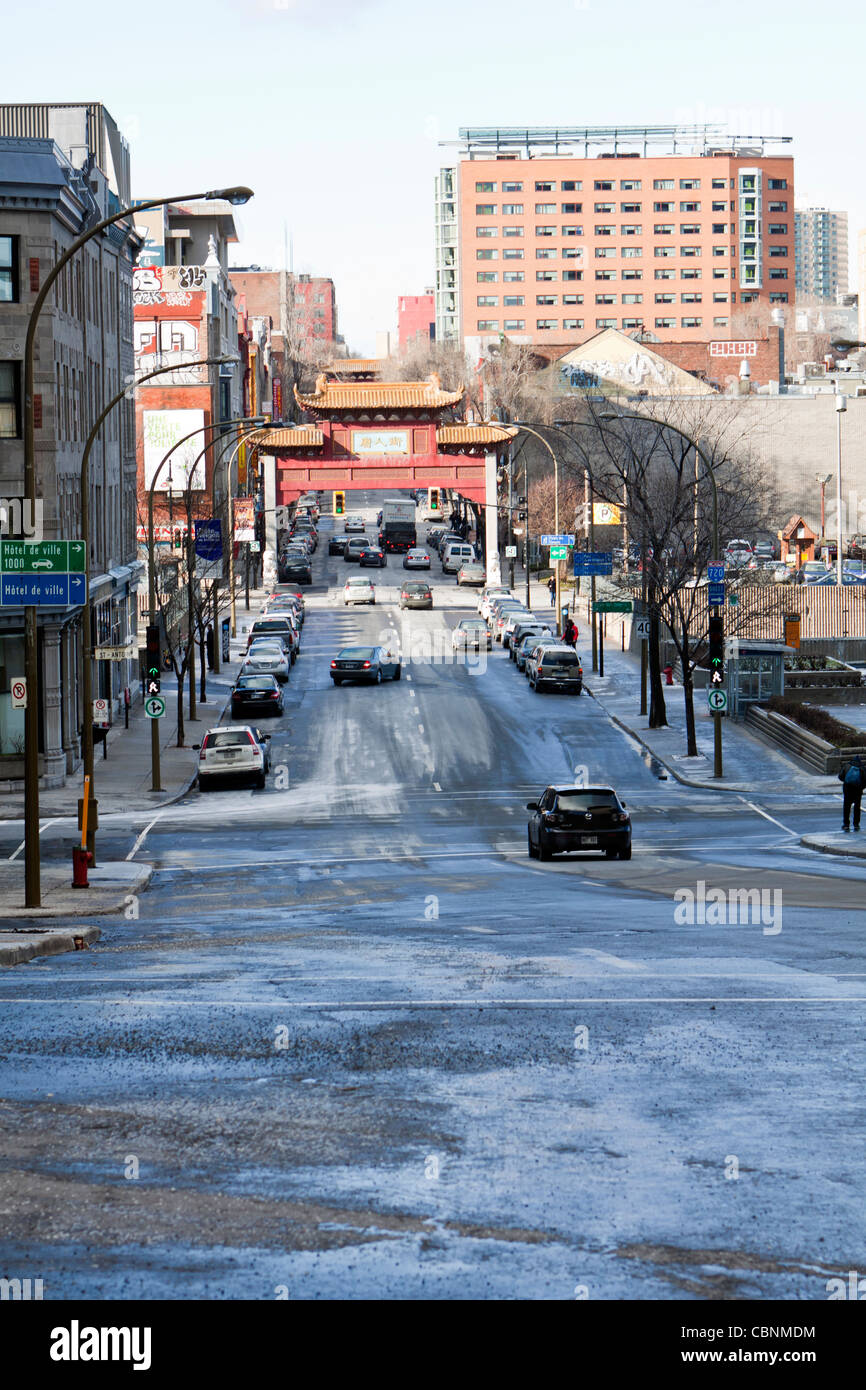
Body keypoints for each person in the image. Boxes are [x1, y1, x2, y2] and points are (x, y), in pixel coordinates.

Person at [838, 755, 864, 832]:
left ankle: (846, 825)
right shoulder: (862, 768)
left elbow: (840, 776)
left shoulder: (847, 766)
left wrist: (846, 782)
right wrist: (861, 787)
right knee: (857, 807)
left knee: (847, 806)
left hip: (847, 788)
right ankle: (856, 824)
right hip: (858, 790)